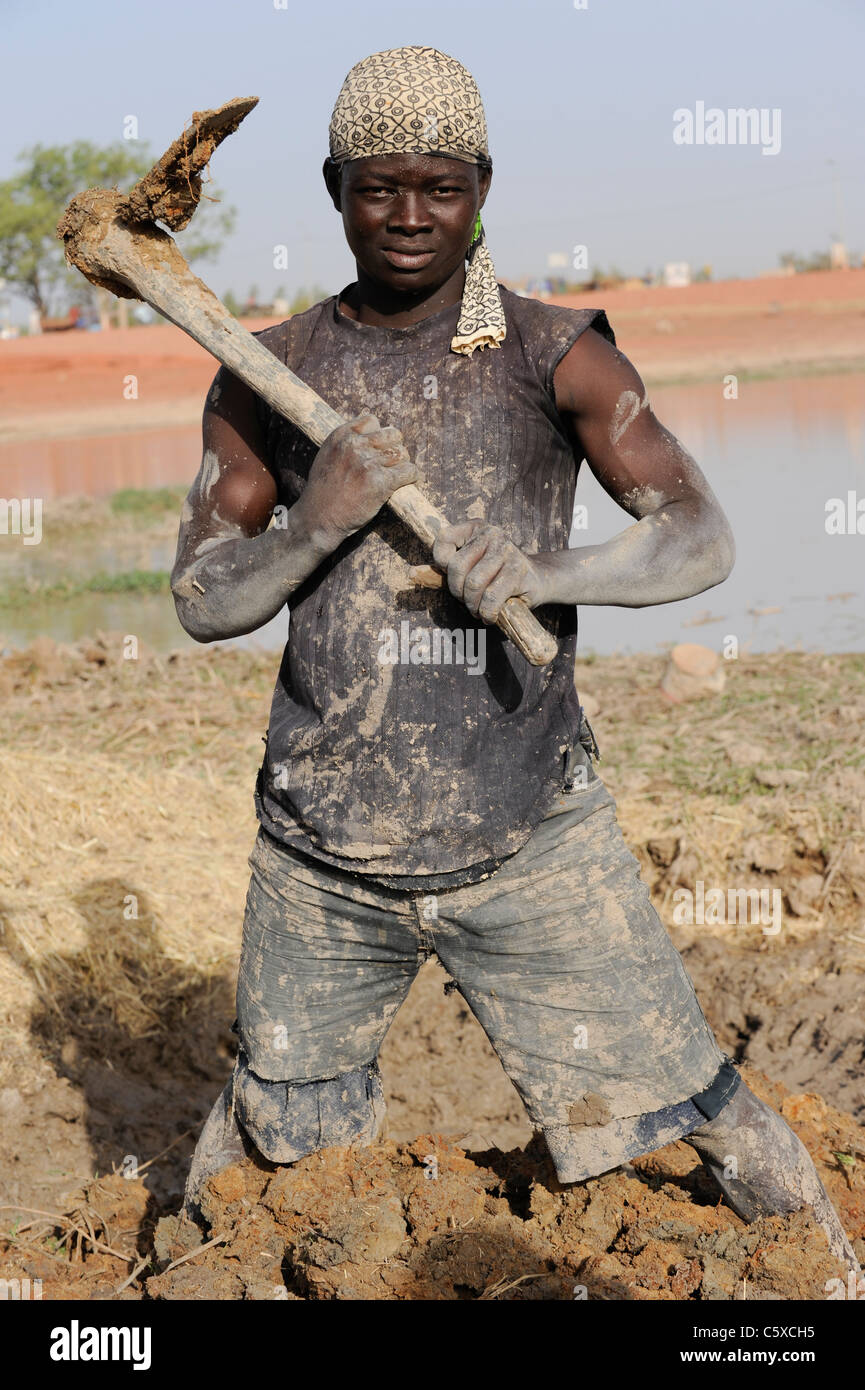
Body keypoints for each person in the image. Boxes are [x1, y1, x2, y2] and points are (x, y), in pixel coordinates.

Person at [171, 46, 857, 1271]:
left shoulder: (555, 350)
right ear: (334, 188)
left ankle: (830, 1276)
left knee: (704, 1119)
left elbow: (699, 533)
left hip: (533, 831)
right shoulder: (268, 369)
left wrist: (557, 573)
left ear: (482, 185)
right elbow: (201, 598)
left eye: (439, 186)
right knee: (267, 1151)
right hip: (322, 851)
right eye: (379, 187)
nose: (409, 215)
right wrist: (314, 524)